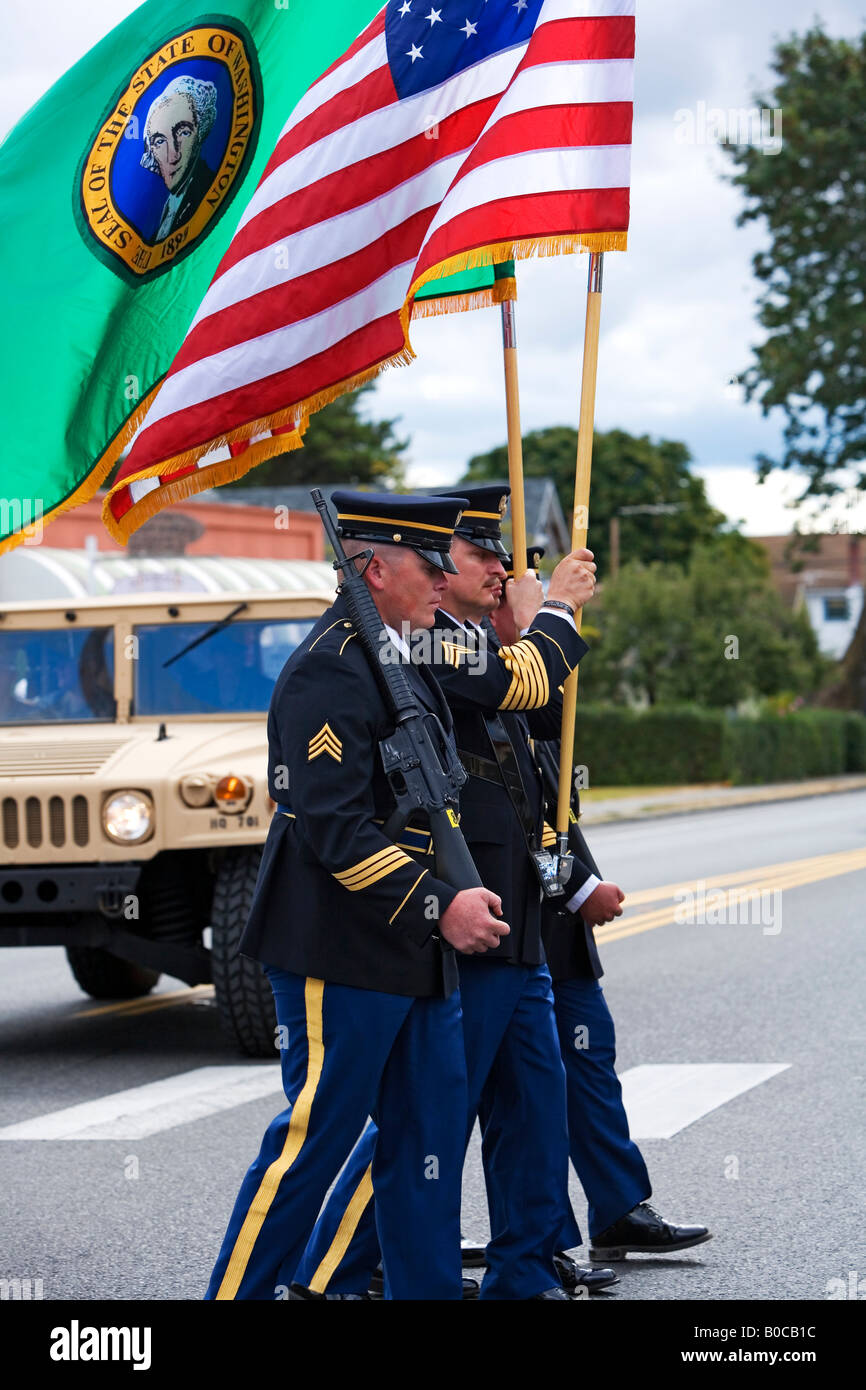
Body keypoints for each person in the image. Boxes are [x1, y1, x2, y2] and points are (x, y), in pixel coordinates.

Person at [292, 486, 600, 1301]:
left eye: (498, 556)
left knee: (532, 1101)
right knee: (425, 1119)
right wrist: (558, 610)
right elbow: (523, 683)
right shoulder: (418, 647)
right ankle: (332, 1271)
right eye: (475, 556)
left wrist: (532, 629)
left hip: (509, 901)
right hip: (452, 906)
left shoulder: (455, 637)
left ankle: (525, 1270)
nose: (500, 568)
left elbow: (542, 731)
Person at [205, 491, 508, 1302]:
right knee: (314, 1142)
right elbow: (333, 828)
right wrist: (437, 902)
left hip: (416, 951)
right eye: (431, 565)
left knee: (424, 1143)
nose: (446, 581)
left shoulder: (404, 653)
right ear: (377, 568)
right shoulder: (329, 668)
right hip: (337, 946)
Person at [480, 566, 712, 1269]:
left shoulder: (522, 680)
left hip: (552, 913)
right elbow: (500, 816)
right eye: (506, 592)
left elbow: (547, 792)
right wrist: (581, 887)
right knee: (484, 1095)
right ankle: (372, 1248)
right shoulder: (460, 672)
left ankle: (616, 1208)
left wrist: (579, 884)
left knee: (584, 1063)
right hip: (505, 916)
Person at [140, 75, 218, 241]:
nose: (172, 155)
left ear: (200, 133)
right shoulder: (165, 214)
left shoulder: (208, 191)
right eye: (160, 141)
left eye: (183, 133)